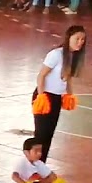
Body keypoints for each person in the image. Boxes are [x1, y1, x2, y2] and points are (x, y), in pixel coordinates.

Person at [30, 25, 86, 162]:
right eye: (77, 38)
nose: (80, 42)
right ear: (68, 38)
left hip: (56, 98)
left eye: (83, 39)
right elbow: (41, 76)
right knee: (41, 136)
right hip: (44, 96)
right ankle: (31, 167)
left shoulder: (73, 56)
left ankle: (41, 166)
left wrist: (69, 95)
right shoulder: (56, 54)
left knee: (49, 135)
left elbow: (68, 78)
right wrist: (41, 97)